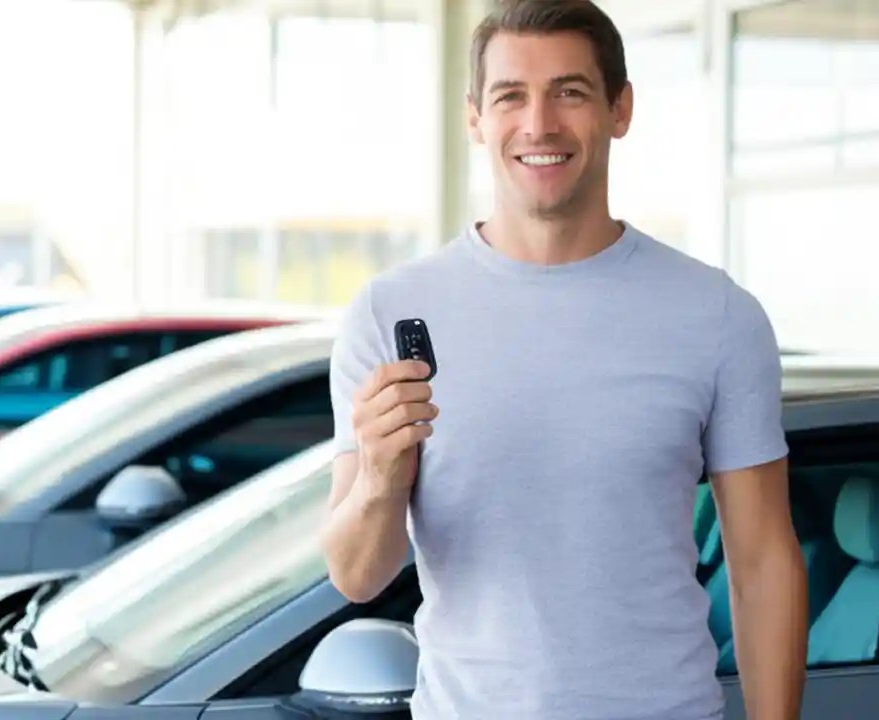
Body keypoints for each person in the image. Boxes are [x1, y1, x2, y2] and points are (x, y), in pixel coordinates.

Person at [321, 1, 809, 718]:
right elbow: (356, 577)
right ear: (475, 118)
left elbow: (764, 563)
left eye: (569, 92)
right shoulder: (388, 314)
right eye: (511, 95)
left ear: (621, 108)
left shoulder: (718, 315)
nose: (539, 124)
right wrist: (380, 478)